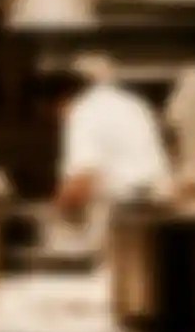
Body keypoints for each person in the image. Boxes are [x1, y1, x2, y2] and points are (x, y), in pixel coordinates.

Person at [53, 52, 172, 246]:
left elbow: (82, 179)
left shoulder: (85, 111)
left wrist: (55, 213)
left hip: (120, 216)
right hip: (159, 213)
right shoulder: (136, 105)